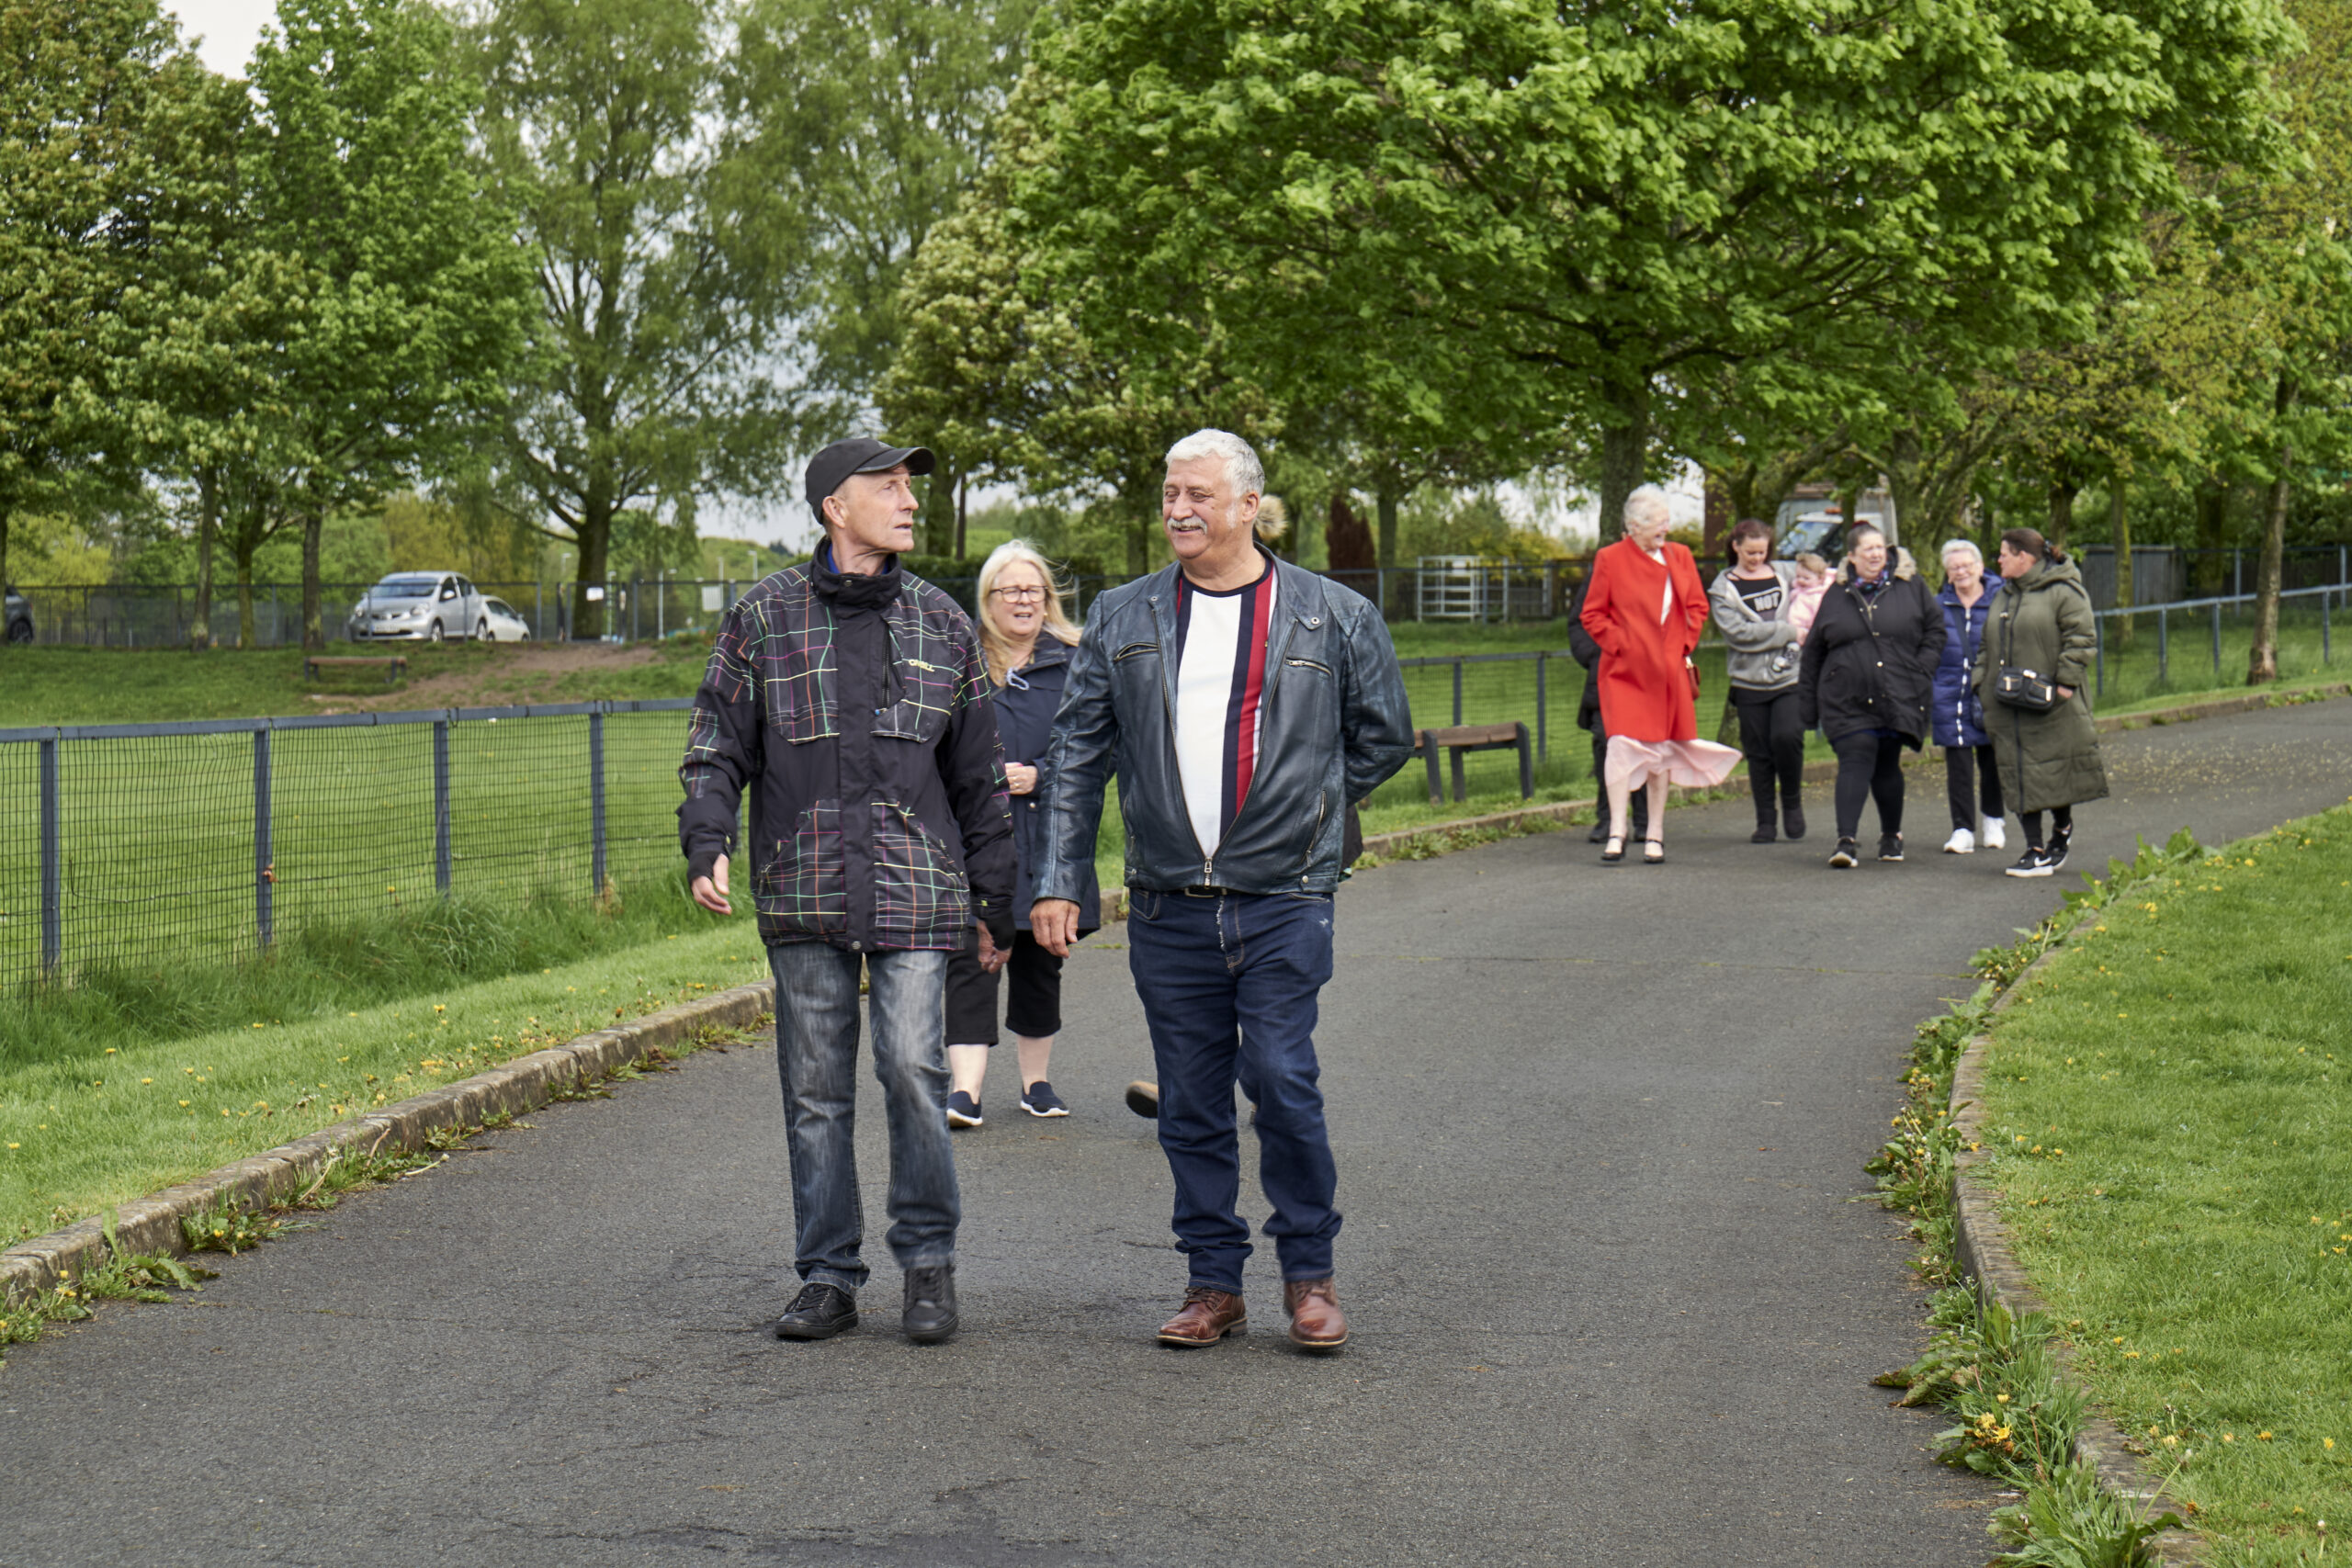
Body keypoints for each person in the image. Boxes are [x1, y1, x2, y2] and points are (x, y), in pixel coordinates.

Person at [1029, 428, 1414, 1354]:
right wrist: (1056, 880)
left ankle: (1308, 1277)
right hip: (1168, 904)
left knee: (1283, 1079)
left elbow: (1384, 736)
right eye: (1169, 494)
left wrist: (1311, 814)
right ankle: (1212, 1283)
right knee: (1191, 1101)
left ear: (1248, 505)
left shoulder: (1331, 615)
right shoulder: (1123, 617)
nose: (1177, 510)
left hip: (1284, 896)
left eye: (1198, 494)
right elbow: (1076, 757)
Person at [677, 436, 1014, 1347]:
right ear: (836, 505)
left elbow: (979, 775)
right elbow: (717, 740)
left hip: (916, 889)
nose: (908, 501)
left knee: (912, 1067)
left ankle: (929, 1265)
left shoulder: (943, 623)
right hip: (803, 887)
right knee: (816, 1089)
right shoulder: (764, 617)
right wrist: (704, 836)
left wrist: (995, 901)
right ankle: (827, 1275)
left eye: (911, 487)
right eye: (889, 487)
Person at [944, 541, 1099, 1127]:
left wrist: (1042, 776)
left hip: (1049, 839)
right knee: (971, 956)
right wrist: (984, 777)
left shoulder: (1077, 660)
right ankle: (966, 1091)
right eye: (1010, 590)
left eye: (1034, 590)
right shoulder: (958, 663)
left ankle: (1036, 1083)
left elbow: (1099, 748)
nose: (1024, 600)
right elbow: (937, 747)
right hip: (975, 839)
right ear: (987, 601)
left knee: (1040, 959)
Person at [1577, 484, 1740, 865]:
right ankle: (1617, 831)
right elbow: (1592, 615)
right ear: (1633, 525)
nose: (1664, 528)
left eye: (1666, 520)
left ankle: (1655, 834)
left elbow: (1697, 606)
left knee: (1660, 753)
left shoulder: (1680, 556)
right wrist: (1621, 644)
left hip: (1667, 672)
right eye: (1656, 522)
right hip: (1625, 673)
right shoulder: (1610, 558)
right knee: (1619, 747)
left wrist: (1682, 645)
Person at [1796, 523, 1944, 868]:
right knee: (1856, 756)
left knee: (1886, 764)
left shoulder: (1911, 586)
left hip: (1897, 691)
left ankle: (1891, 834)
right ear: (1851, 557)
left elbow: (1935, 630)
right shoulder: (1836, 593)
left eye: (1880, 547)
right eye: (1868, 549)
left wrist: (1921, 669)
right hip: (1846, 697)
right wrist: (1806, 707)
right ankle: (1846, 841)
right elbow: (1814, 651)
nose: (1876, 554)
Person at [1975, 527, 2109, 878]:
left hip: (2049, 704)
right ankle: (2034, 849)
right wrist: (1980, 683)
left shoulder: (2063, 591)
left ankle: (2061, 830)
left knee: (2050, 771)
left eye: (2004, 553)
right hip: (2006, 705)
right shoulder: (2003, 595)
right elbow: (1987, 645)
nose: (1998, 559)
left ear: (2024, 557)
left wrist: (2064, 685)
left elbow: (2082, 638)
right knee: (2016, 771)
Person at [1708, 518, 1806, 843]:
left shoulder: (1786, 573)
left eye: (1762, 552)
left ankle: (1792, 803)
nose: (1756, 559)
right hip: (1748, 682)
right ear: (1736, 547)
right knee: (1759, 751)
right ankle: (1766, 820)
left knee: (1787, 737)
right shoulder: (1723, 589)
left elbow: (1820, 583)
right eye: (1750, 552)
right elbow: (1739, 635)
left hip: (1789, 675)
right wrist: (1788, 632)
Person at [1931, 539, 2006, 855]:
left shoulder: (2002, 599)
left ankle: (1993, 819)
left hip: (1989, 690)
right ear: (1947, 574)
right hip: (1948, 691)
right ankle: (1962, 828)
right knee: (1958, 763)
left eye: (1966, 566)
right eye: (1954, 568)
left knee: (1992, 761)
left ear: (1979, 567)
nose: (1961, 572)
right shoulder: (1936, 606)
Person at [1567, 575, 1646, 844]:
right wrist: (1595, 656)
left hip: (1646, 674)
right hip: (1604, 676)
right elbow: (1578, 622)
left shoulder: (1659, 569)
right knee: (1606, 743)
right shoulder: (1602, 572)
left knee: (1645, 744)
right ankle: (1609, 819)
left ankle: (1645, 821)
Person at [1785, 553, 1832, 646]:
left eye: (1806, 578)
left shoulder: (1817, 597)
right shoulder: (1799, 589)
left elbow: (1819, 617)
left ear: (1820, 579)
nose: (1801, 580)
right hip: (1794, 629)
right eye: (1798, 576)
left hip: (1807, 631)